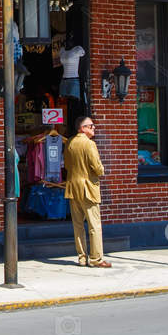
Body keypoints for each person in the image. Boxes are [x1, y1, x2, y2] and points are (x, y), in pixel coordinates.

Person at [65, 114, 108, 267]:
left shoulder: (69, 142)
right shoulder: (89, 144)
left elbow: (68, 165)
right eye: (91, 126)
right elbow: (97, 167)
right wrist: (102, 170)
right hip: (88, 187)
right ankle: (96, 259)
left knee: (77, 226)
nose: (94, 128)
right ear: (82, 128)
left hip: (72, 187)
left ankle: (82, 257)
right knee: (94, 225)